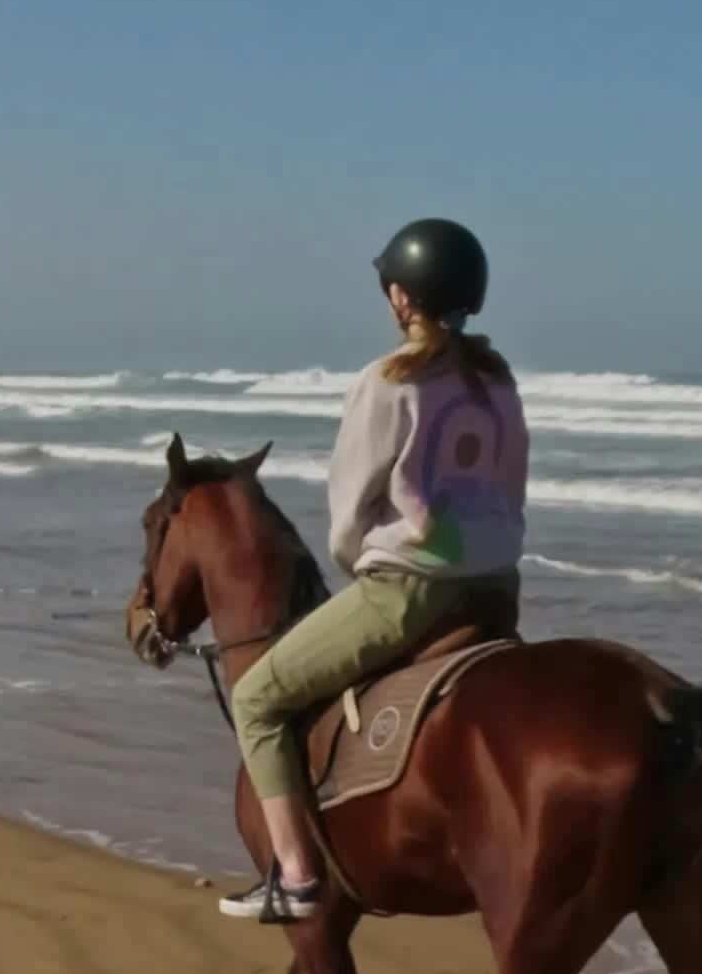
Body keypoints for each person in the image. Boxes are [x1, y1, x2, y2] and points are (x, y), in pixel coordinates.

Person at [218, 219, 530, 922]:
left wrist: (358, 563)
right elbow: (512, 491)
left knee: (258, 700)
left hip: (411, 590)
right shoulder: (499, 382)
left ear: (400, 298)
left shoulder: (388, 382)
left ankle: (295, 876)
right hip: (498, 591)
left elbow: (352, 504)